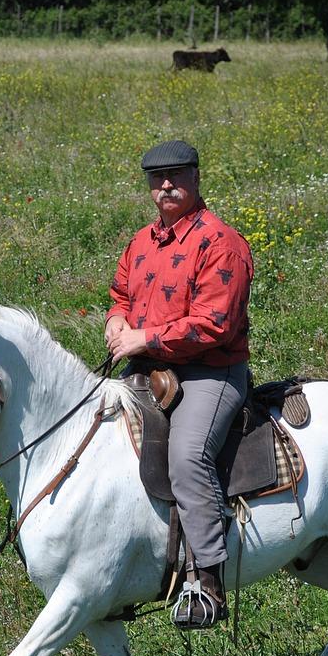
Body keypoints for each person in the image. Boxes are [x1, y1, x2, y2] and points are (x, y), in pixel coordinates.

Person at [105, 140, 254, 629]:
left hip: (210, 372)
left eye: (175, 176)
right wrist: (115, 321)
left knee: (188, 455)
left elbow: (214, 324)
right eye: (156, 178)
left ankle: (207, 578)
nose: (165, 185)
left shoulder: (221, 242)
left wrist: (142, 337)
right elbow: (120, 293)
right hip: (147, 369)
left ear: (195, 177)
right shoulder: (142, 241)